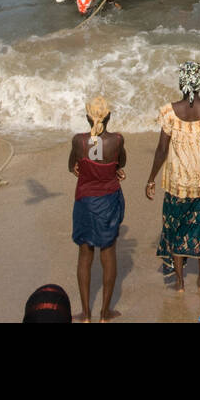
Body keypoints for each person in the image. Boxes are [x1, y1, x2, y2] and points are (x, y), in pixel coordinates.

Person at [146, 62, 200, 293]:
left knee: (175, 229)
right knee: (199, 229)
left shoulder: (169, 112)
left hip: (176, 182)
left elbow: (161, 149)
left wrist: (151, 178)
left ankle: (180, 284)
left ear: (182, 83)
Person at [68, 97, 126, 323]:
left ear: (87, 118)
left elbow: (71, 165)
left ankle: (85, 314)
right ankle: (105, 313)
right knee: (108, 253)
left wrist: (82, 168)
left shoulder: (78, 141)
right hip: (108, 201)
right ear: (109, 117)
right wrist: (114, 170)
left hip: (85, 201)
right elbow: (121, 163)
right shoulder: (117, 140)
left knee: (85, 255)